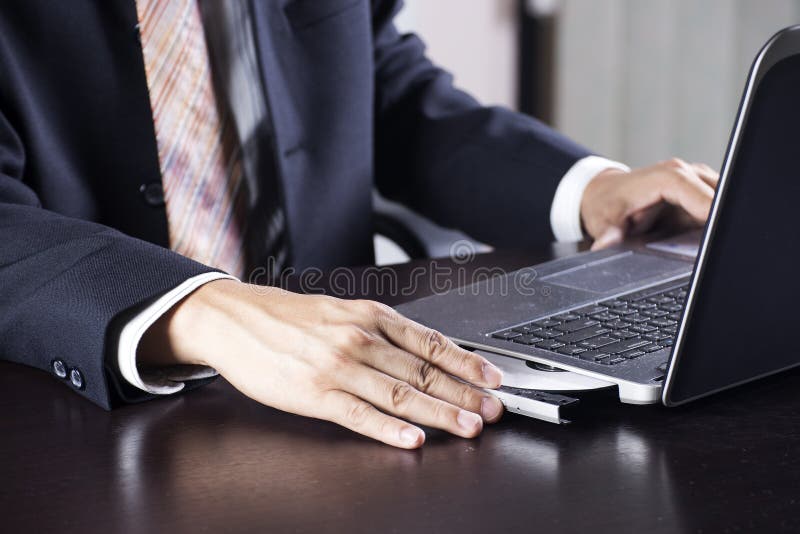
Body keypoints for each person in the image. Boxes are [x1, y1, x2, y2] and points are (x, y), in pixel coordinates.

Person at [0, 0, 718, 449]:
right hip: (84, 425)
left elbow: (383, 86)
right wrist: (201, 308)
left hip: (341, 418)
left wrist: (589, 188)